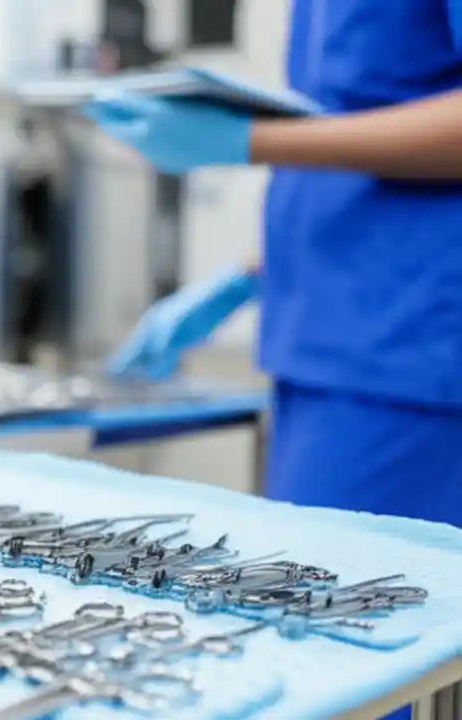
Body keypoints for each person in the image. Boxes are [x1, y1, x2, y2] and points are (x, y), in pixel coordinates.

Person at [81, 0, 462, 530]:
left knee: (351, 593)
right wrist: (248, 276)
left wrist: (250, 141)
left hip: (411, 356)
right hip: (319, 342)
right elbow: (352, 117)